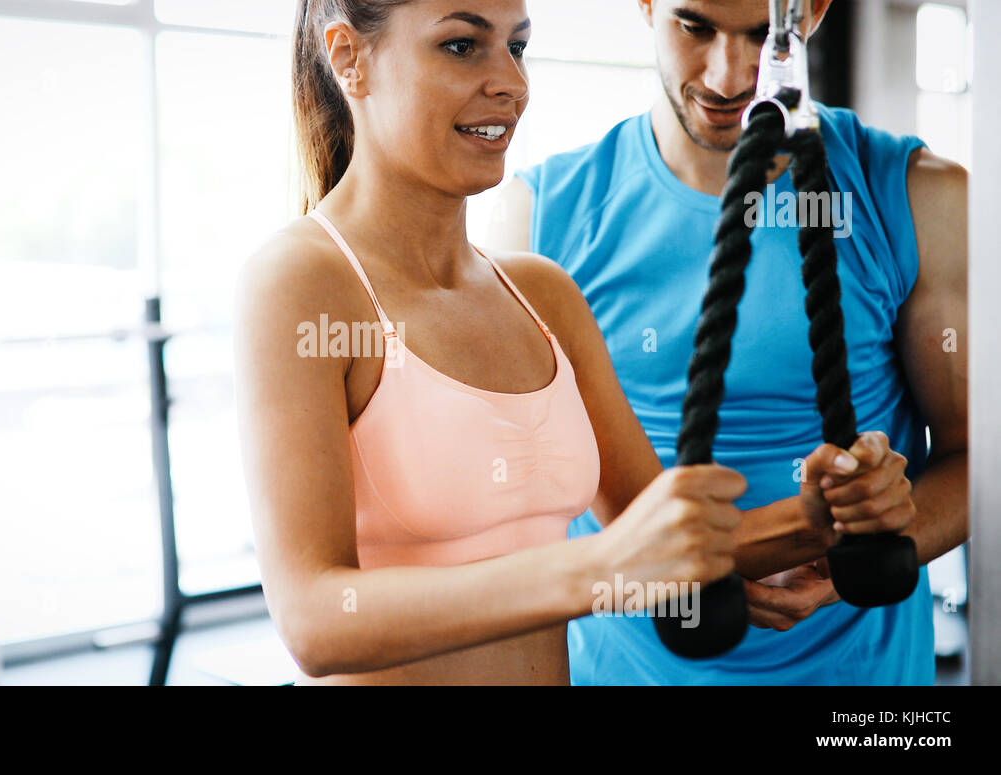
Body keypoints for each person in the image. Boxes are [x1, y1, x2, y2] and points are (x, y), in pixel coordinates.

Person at [234, 0, 911, 685]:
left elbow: (664, 540)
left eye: (517, 48)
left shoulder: (541, 292)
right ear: (349, 57)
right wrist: (599, 566)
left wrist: (823, 515)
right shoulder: (301, 283)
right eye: (463, 46)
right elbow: (315, 619)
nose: (510, 83)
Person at [487, 0, 970, 685]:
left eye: (760, 34)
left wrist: (869, 550)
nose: (727, 75)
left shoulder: (921, 196)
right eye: (695, 26)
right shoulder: (540, 217)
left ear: (815, 10)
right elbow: (522, 505)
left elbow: (975, 454)